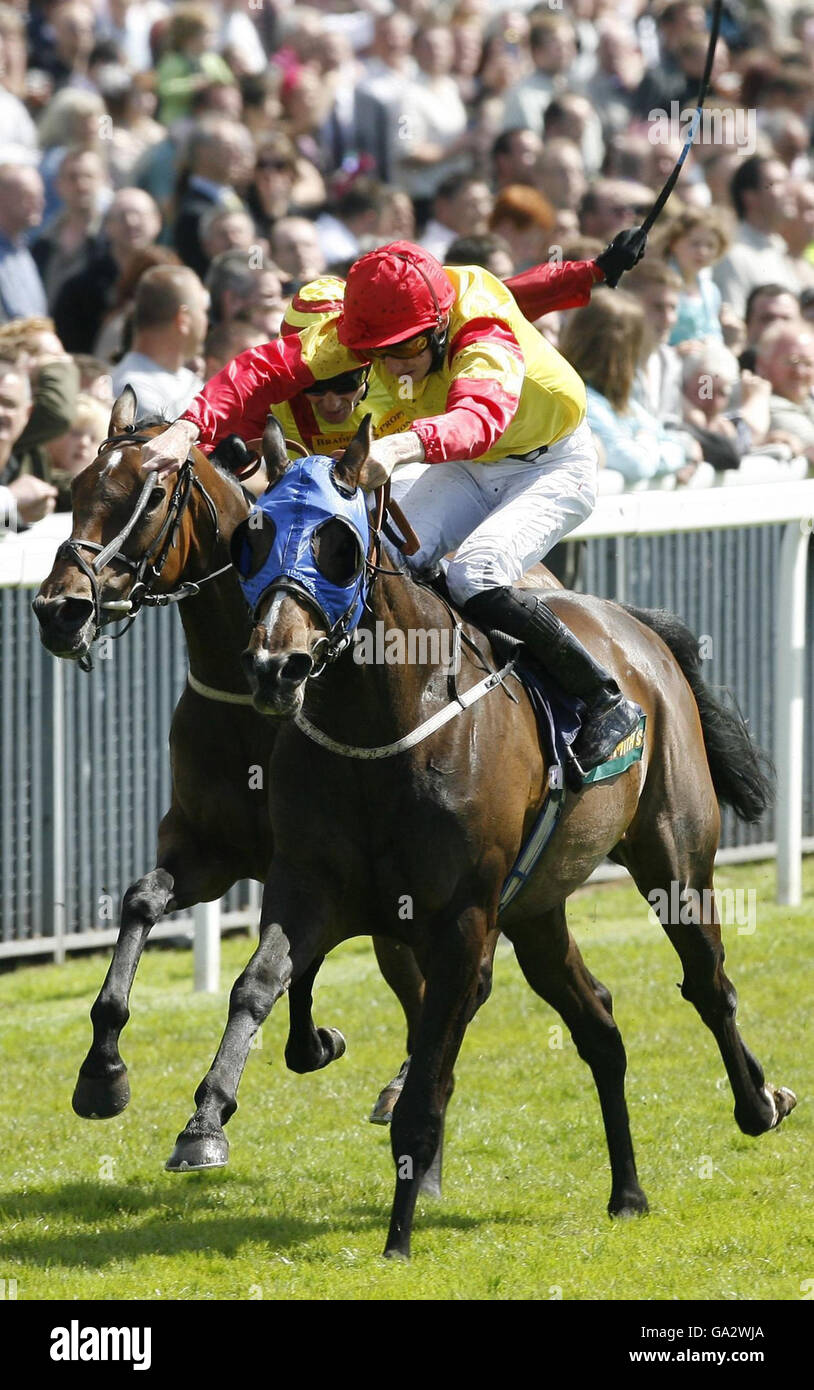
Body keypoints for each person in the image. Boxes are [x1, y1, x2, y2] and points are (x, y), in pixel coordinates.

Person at [141, 234, 647, 770]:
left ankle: (604, 699)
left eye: (406, 350)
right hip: (469, 466)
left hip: (552, 465)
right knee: (373, 560)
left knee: (475, 575)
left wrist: (406, 445)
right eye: (377, 354)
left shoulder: (483, 331)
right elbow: (260, 369)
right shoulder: (380, 332)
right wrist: (187, 426)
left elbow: (481, 417)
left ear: (440, 326)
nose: (393, 368)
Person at [110, 264, 208, 417]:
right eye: (203, 310)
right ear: (183, 320)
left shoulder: (190, 381)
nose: (207, 322)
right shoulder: (135, 393)